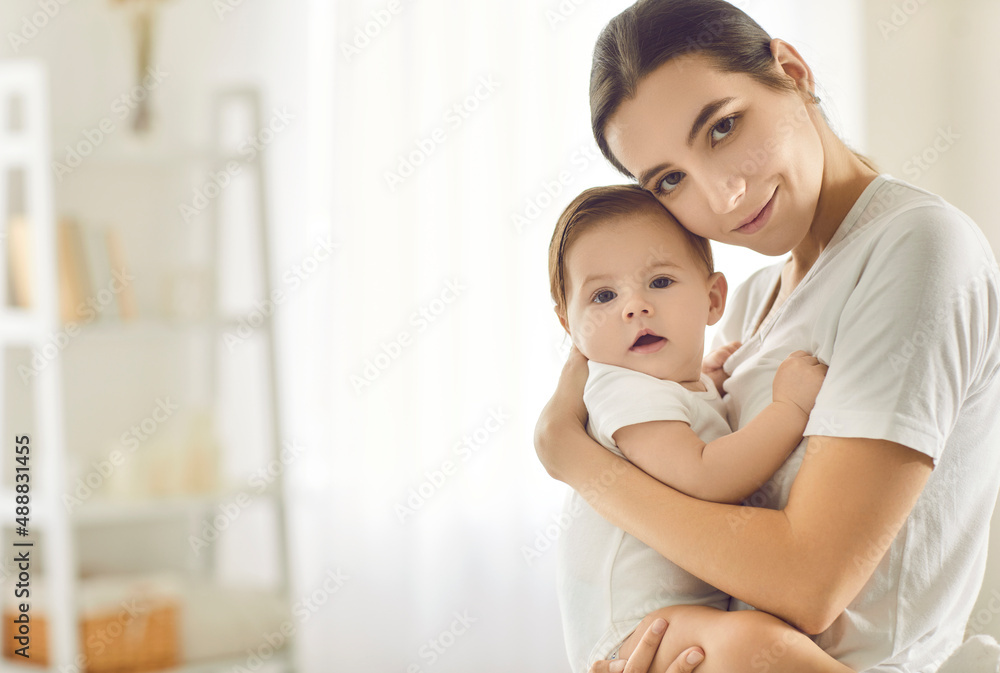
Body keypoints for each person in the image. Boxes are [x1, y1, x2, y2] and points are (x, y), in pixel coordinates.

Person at [533, 1, 1000, 672]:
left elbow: (808, 583)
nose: (721, 197)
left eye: (723, 127)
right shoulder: (750, 305)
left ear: (792, 72)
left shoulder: (916, 249)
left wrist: (578, 461)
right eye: (670, 180)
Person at [548, 183, 846, 673]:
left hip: (677, 614)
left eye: (660, 282)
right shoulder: (617, 390)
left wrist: (708, 379)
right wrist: (788, 408)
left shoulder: (669, 389)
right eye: (604, 295)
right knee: (750, 645)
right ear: (570, 326)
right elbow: (707, 475)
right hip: (634, 629)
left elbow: (685, 425)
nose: (635, 306)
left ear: (712, 299)